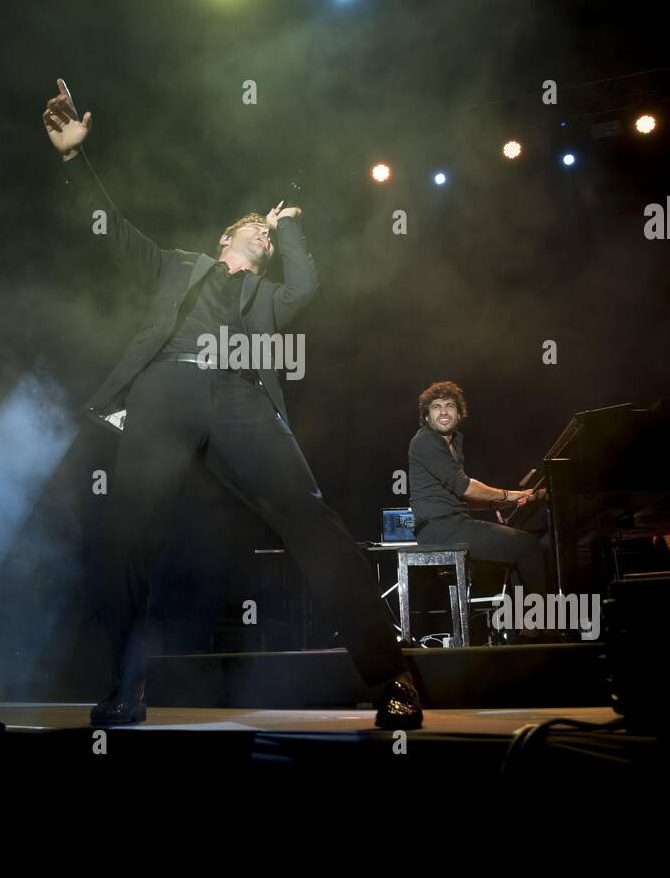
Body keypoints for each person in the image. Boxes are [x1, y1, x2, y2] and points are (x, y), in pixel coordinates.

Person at [42, 78, 421, 728]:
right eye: (253, 229)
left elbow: (306, 283)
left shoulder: (267, 297)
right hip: (165, 388)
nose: (262, 238)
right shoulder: (177, 266)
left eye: (265, 237)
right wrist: (76, 159)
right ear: (225, 240)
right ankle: (125, 688)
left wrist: (287, 230)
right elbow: (109, 229)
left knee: (312, 520)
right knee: (127, 539)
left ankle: (393, 679)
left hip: (238, 394)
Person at [408, 381, 551, 598]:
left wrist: (507, 500)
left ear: (459, 414)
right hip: (440, 529)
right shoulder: (425, 441)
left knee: (516, 549)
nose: (444, 410)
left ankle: (526, 626)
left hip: (453, 524)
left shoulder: (455, 442)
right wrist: (507, 495)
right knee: (528, 545)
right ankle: (543, 624)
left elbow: (461, 497)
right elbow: (465, 487)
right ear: (427, 417)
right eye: (436, 406)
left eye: (450, 405)